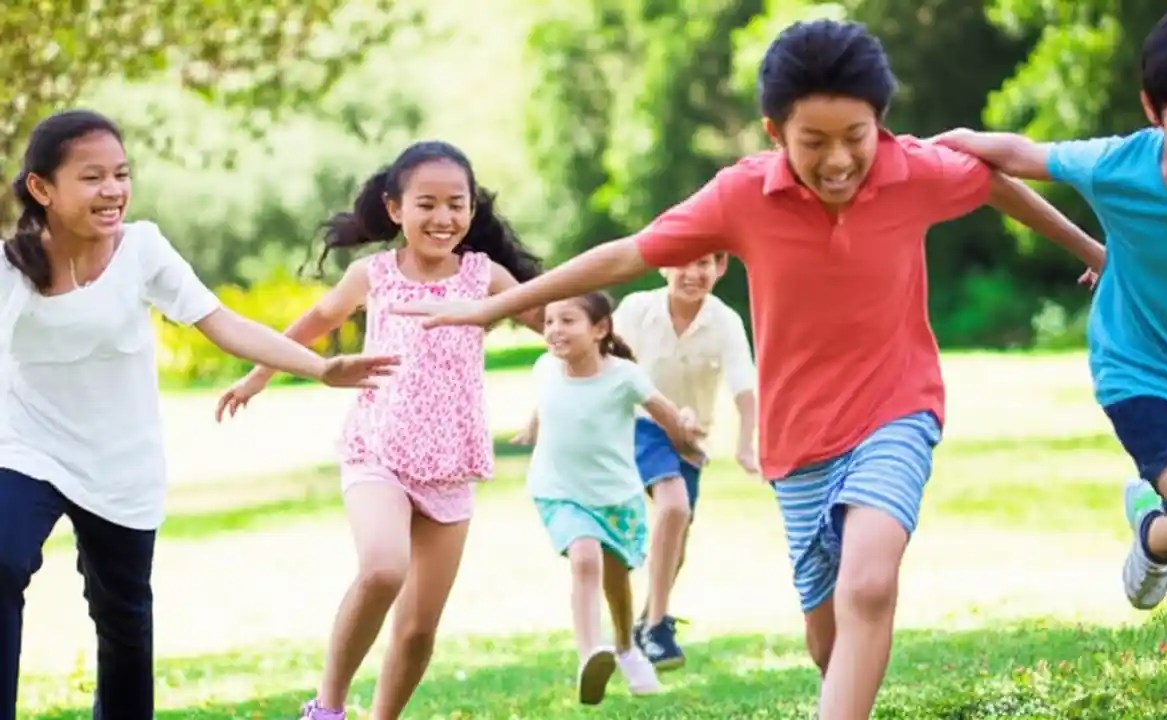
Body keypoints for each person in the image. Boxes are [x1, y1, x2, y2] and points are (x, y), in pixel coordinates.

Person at [390, 19, 1105, 719]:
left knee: (869, 587)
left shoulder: (911, 170)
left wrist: (1091, 251)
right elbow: (627, 254)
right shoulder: (741, 196)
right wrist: (499, 307)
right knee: (828, 642)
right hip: (798, 444)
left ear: (881, 127)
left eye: (855, 138)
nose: (837, 162)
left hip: (897, 409)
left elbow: (991, 180)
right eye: (812, 142)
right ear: (774, 132)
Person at [929, 5, 1167, 719]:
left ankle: (1153, 534)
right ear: (1154, 109)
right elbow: (1006, 156)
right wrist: (919, 146)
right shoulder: (1118, 165)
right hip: (1141, 373)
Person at [0, 109, 396, 720]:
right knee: (1, 561)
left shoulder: (143, 248)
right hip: (27, 447)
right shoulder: (11, 267)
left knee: (124, 615)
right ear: (42, 188)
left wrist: (318, 368)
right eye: (92, 177)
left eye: (121, 174)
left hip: (119, 460)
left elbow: (221, 323)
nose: (113, 191)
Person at [214, 140, 543, 720]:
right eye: (427, 204)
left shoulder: (483, 276)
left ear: (472, 210)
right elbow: (316, 322)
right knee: (384, 567)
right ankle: (327, 708)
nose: (443, 218)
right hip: (379, 450)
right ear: (395, 209)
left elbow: (549, 316)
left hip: (451, 461)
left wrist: (604, 342)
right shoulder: (375, 275)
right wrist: (259, 375)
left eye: (456, 204)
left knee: (418, 631)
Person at [514, 291, 703, 705]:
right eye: (548, 322)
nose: (554, 330)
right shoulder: (545, 367)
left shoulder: (624, 376)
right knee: (584, 558)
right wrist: (530, 428)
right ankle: (589, 656)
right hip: (558, 490)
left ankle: (624, 647)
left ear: (600, 330)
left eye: (567, 321)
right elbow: (545, 405)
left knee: (617, 584)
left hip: (616, 496)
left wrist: (686, 440)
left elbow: (665, 413)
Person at [611, 252, 757, 670]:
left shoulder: (724, 320)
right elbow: (606, 366)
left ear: (721, 267)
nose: (693, 274)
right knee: (673, 506)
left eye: (705, 264)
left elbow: (743, 384)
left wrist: (746, 445)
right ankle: (656, 625)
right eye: (682, 263)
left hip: (689, 439)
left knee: (677, 528)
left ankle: (646, 623)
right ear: (663, 265)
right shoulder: (637, 309)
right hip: (638, 425)